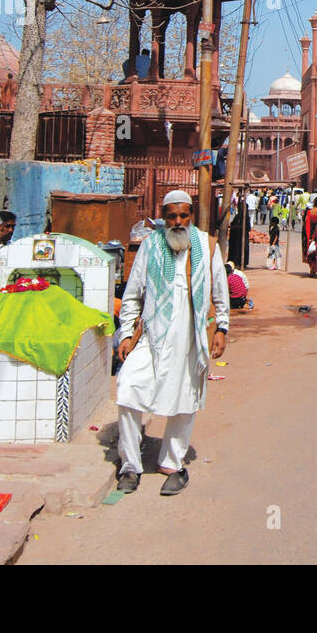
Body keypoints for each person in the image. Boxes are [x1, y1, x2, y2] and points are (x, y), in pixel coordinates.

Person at [114, 190, 229, 496]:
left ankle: (172, 462)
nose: (178, 221)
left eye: (183, 216)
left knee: (185, 400)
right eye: (171, 216)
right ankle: (130, 465)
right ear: (163, 218)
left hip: (190, 337)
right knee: (127, 388)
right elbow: (133, 293)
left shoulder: (206, 245)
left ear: (191, 215)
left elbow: (220, 290)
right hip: (153, 336)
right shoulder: (151, 245)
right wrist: (126, 333)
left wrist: (222, 329)